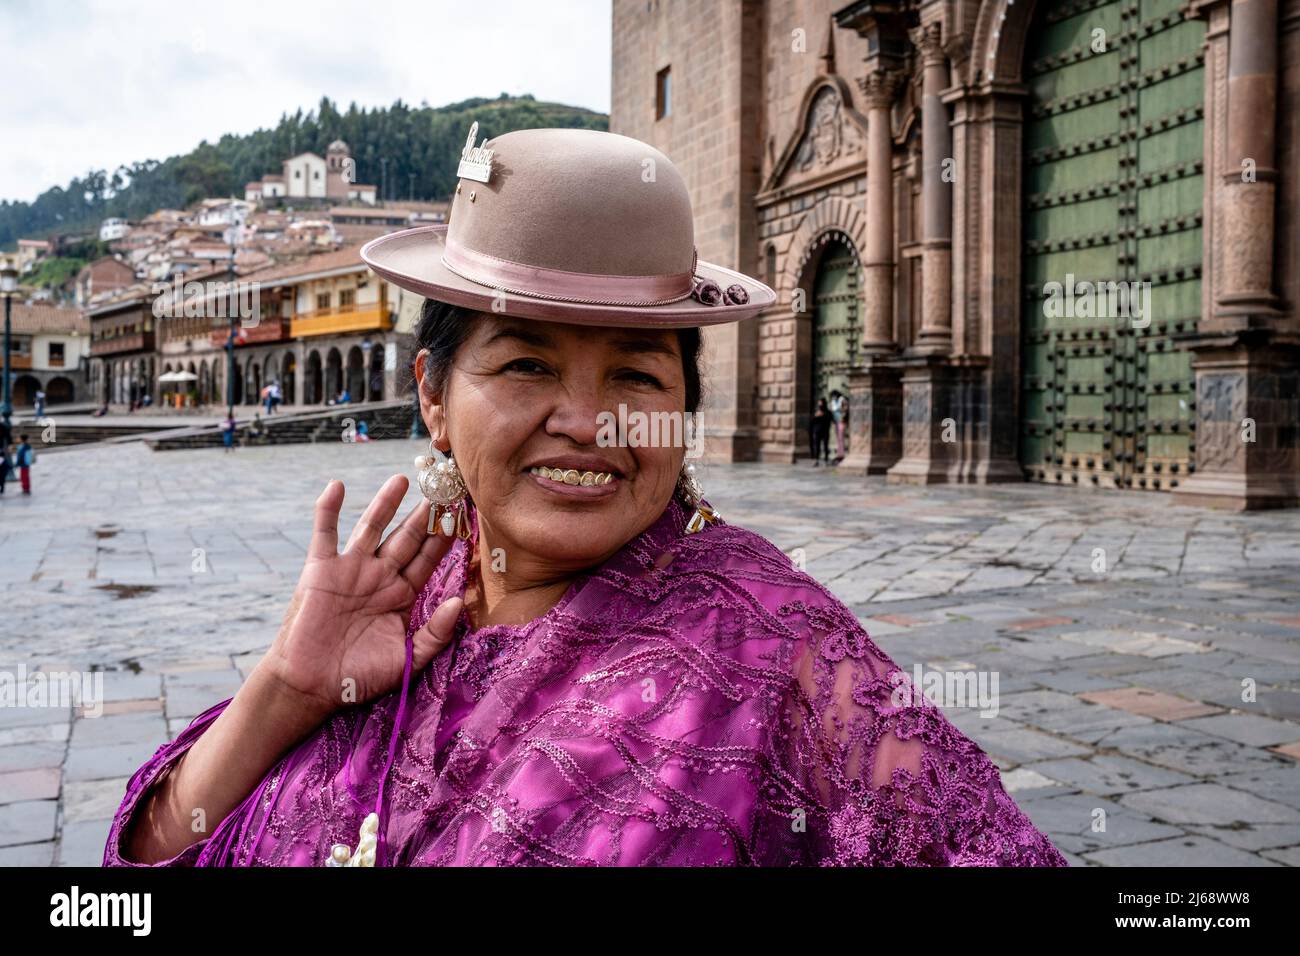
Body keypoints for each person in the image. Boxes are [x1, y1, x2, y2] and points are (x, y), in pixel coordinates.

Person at [104, 127, 1064, 868]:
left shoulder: (778, 649)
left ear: (685, 404)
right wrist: (285, 691)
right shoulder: (396, 602)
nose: (587, 419)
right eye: (526, 363)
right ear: (433, 395)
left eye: (638, 375)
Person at [810, 397, 832, 466]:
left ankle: (826, 460)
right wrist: (816, 416)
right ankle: (816, 460)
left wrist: (823, 415)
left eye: (821, 403)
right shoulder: (816, 411)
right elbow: (812, 421)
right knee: (817, 446)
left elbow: (830, 420)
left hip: (825, 431)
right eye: (819, 403)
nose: (820, 404)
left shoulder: (828, 412)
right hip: (817, 431)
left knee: (825, 446)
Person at [829, 389, 848, 461]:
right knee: (838, 437)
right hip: (836, 421)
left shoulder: (842, 400)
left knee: (841, 437)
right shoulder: (833, 402)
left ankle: (842, 453)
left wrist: (843, 415)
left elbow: (845, 409)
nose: (833, 397)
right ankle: (839, 453)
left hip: (841, 420)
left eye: (834, 396)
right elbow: (831, 410)